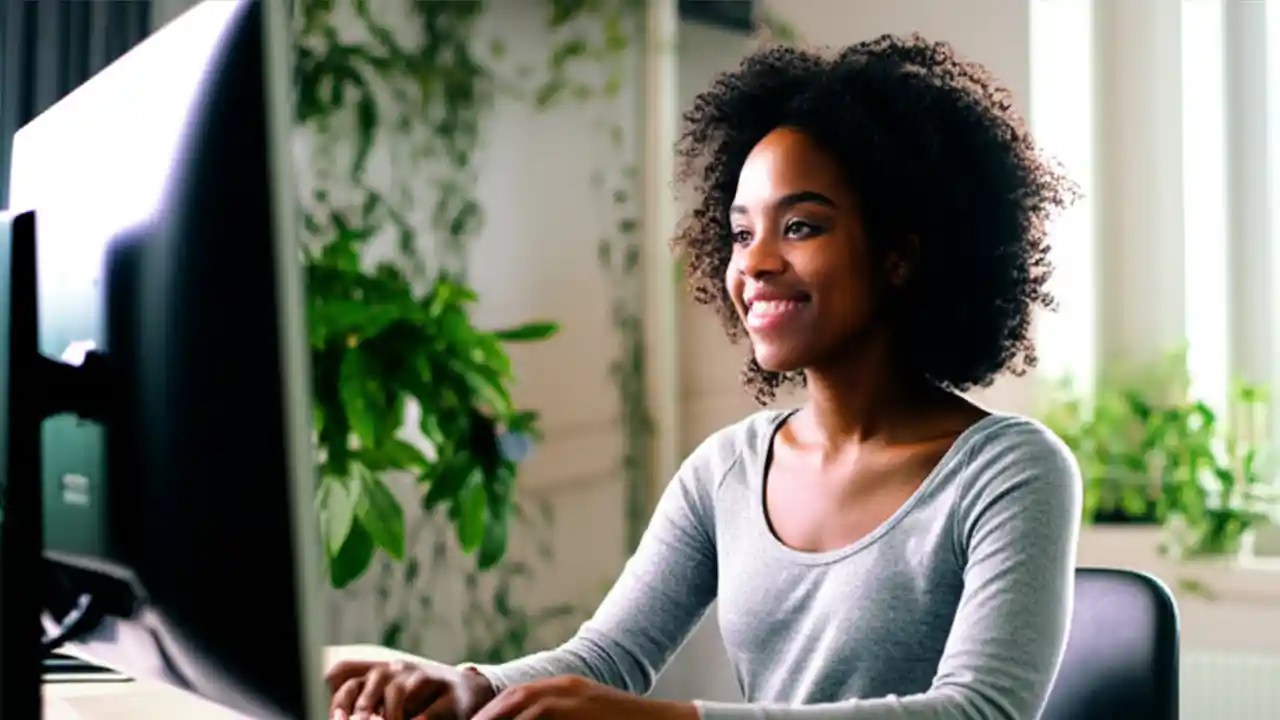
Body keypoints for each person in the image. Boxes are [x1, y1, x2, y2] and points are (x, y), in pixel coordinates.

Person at [327, 33, 1083, 720]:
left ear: (901, 255)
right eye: (741, 233)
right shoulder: (726, 470)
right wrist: (474, 683)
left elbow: (980, 712)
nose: (753, 264)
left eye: (801, 226)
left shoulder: (1010, 472)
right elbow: (607, 658)